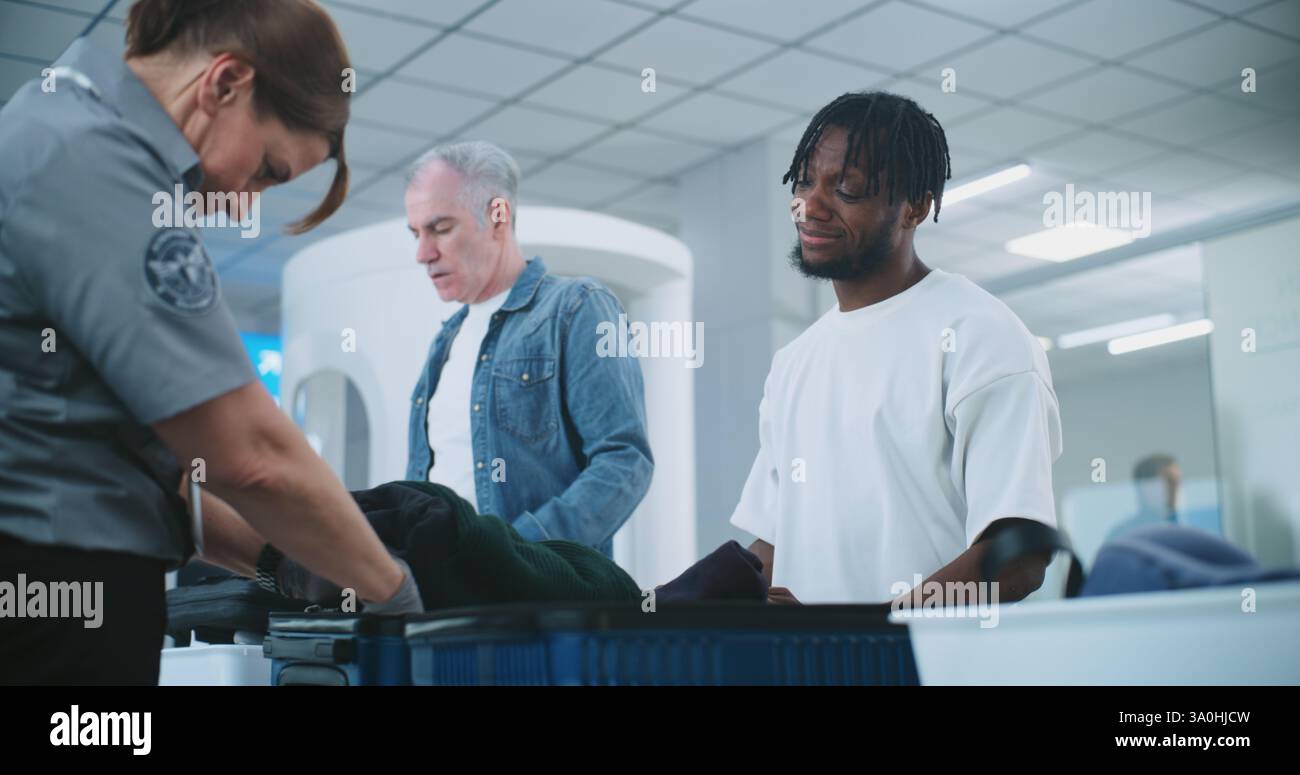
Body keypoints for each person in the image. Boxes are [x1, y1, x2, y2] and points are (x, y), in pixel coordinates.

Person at [0, 0, 419, 686]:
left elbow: (164, 466)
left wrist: (287, 557)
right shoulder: (91, 160)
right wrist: (395, 593)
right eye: (268, 171)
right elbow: (247, 453)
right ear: (225, 83)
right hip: (56, 601)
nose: (248, 200)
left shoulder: (56, 129)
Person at [729, 91, 1063, 604]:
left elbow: (1017, 556)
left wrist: (868, 636)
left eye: (847, 189)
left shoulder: (980, 335)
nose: (810, 206)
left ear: (915, 207)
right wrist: (695, 593)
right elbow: (776, 539)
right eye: (804, 183)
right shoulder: (793, 363)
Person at [404, 141, 653, 557]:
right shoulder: (445, 342)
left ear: (497, 217)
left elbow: (625, 461)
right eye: (416, 234)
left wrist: (515, 555)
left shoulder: (575, 308)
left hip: (536, 605)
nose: (422, 254)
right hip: (444, 602)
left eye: (441, 229)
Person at [1106, 454, 1181, 542]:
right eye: (1169, 481)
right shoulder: (1124, 535)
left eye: (1178, 482)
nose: (1177, 488)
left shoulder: (1189, 528)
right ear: (1144, 488)